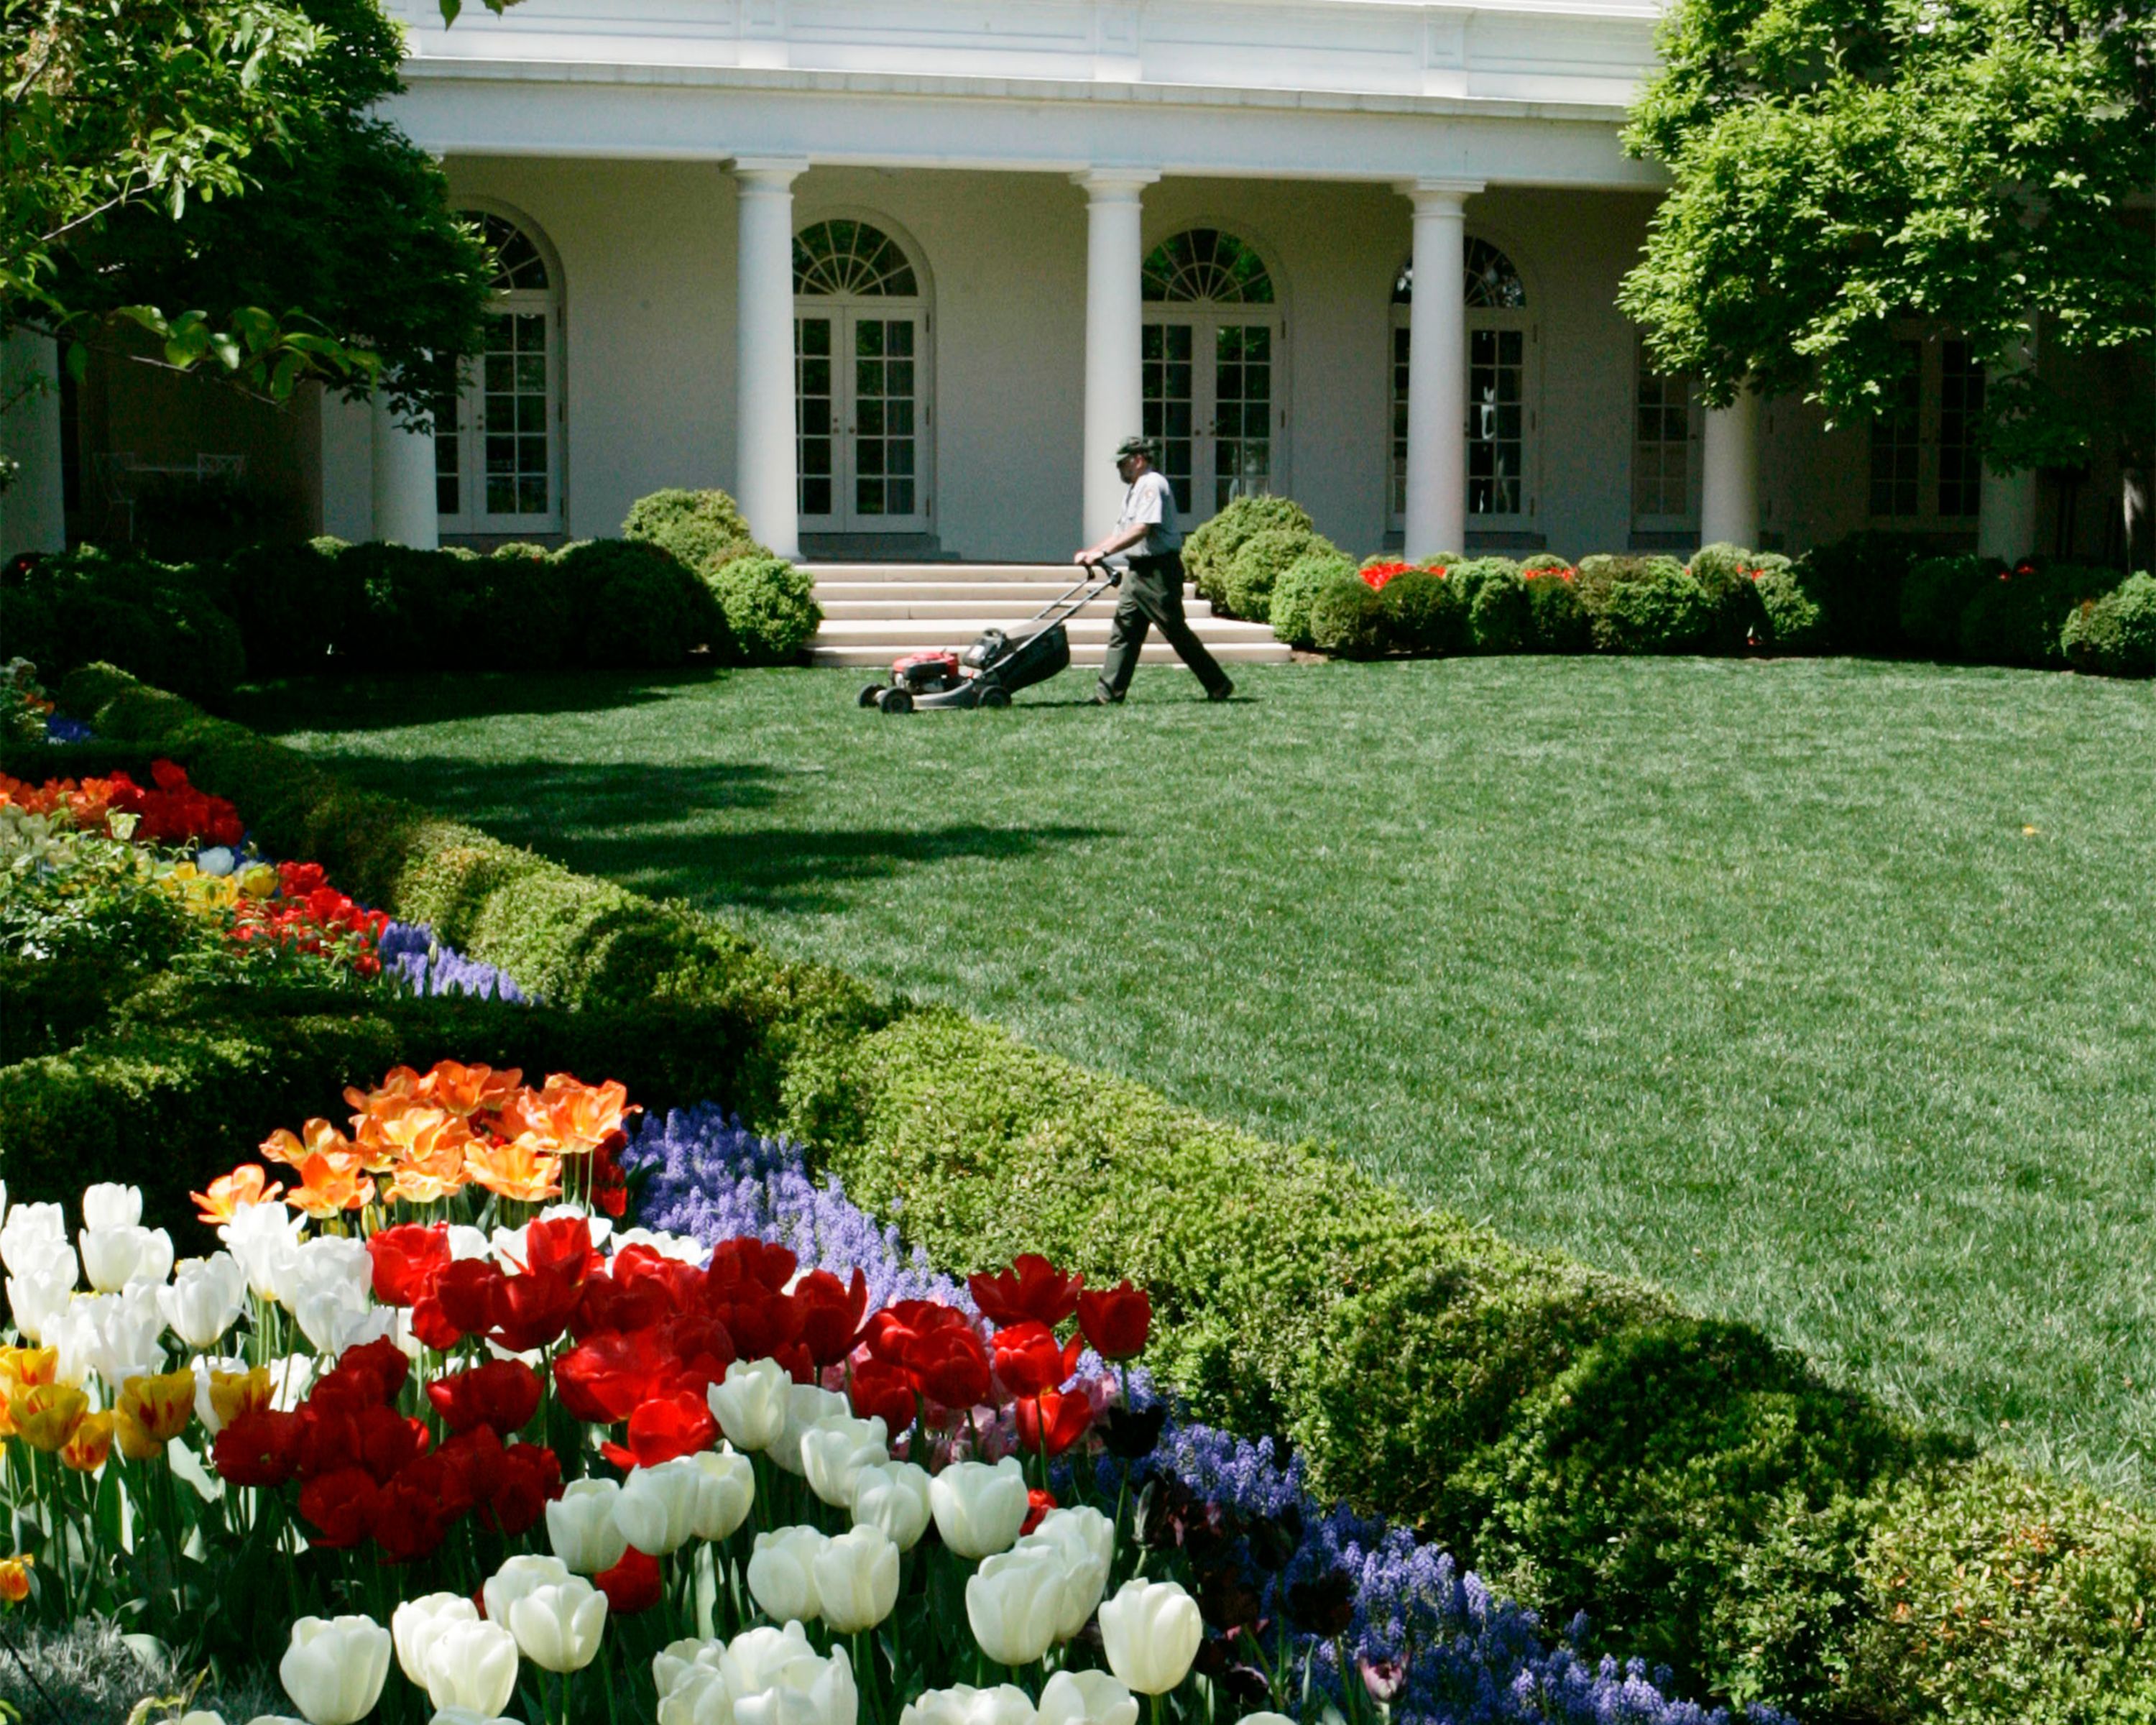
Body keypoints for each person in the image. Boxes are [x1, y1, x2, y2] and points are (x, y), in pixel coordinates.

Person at [1074, 435, 1234, 704]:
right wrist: (1092, 552)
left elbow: (1141, 529)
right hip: (1138, 571)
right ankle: (1108, 694)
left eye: (1122, 463)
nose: (1119, 469)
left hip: (1159, 572)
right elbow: (1121, 533)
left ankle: (1218, 684)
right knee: (1123, 631)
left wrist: (1102, 554)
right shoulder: (1134, 490)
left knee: (1175, 631)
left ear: (1138, 460)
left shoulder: (1152, 485)